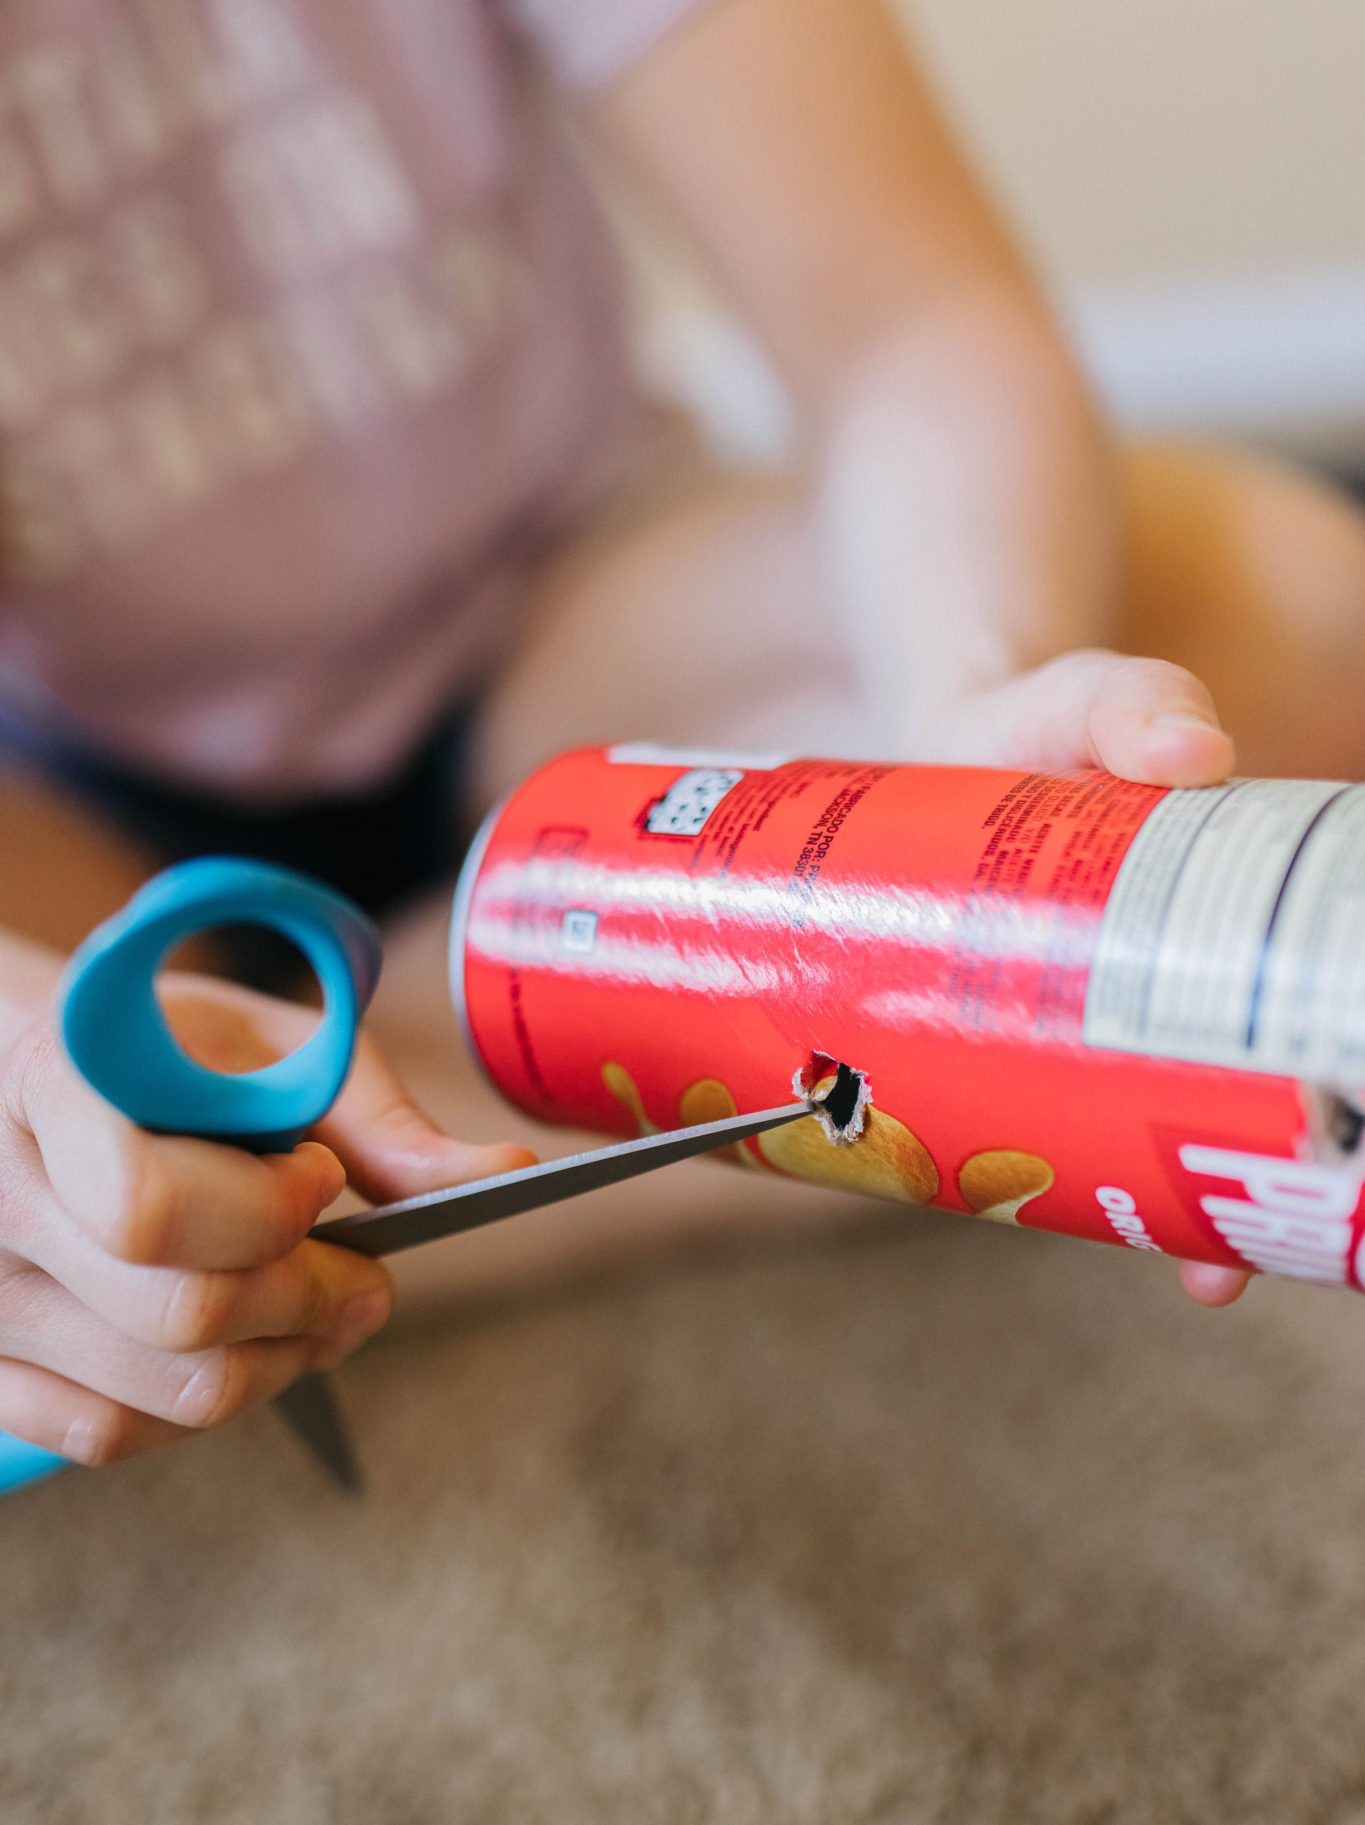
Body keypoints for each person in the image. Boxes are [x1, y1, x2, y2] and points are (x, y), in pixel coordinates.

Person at [0, 0, 1363, 1467]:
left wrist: (967, 704)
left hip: (585, 637)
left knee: (1277, 600)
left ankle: (366, 1181)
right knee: (73, 1167)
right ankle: (689, 1105)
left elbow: (905, 321)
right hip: (76, 811)